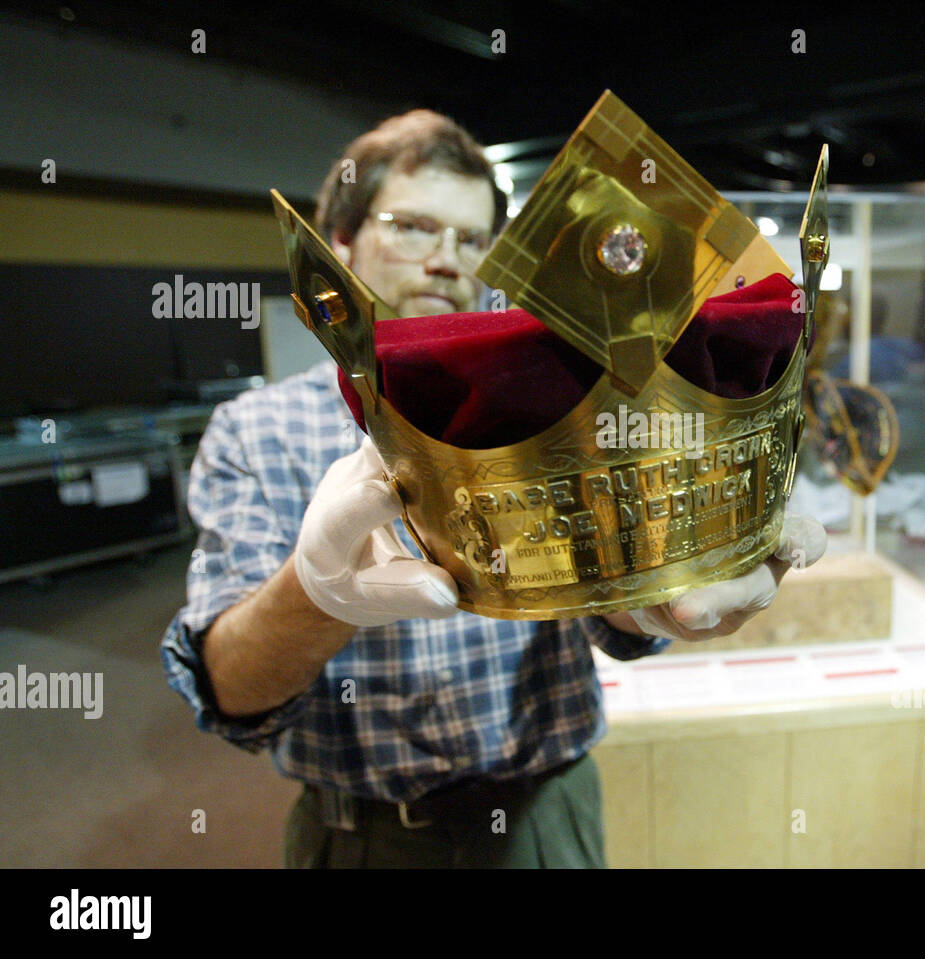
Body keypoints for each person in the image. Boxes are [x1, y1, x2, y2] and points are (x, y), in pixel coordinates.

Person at [161, 108, 826, 869]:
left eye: (473, 240)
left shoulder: (565, 395)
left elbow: (617, 621)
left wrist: (659, 596)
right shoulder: (256, 432)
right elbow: (228, 691)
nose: (448, 260)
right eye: (413, 227)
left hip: (544, 817)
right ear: (338, 241)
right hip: (360, 836)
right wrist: (312, 593)